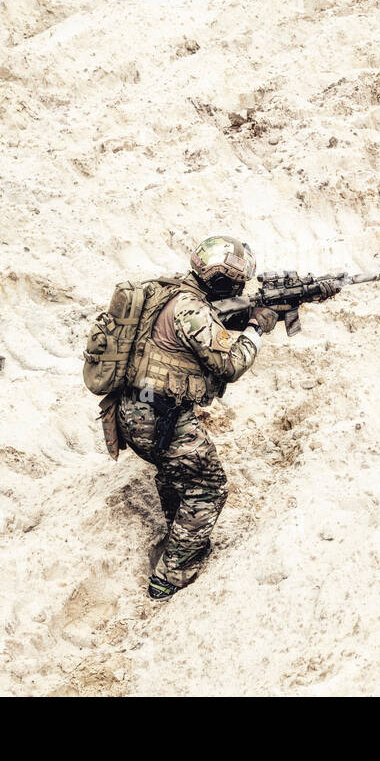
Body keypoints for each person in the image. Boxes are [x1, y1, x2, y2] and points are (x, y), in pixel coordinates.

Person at [117, 235, 278, 599]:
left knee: (176, 472)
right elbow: (231, 364)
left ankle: (182, 537)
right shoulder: (193, 310)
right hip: (161, 418)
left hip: (130, 409)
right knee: (208, 489)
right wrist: (256, 327)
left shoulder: (169, 292)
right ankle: (170, 576)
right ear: (225, 280)